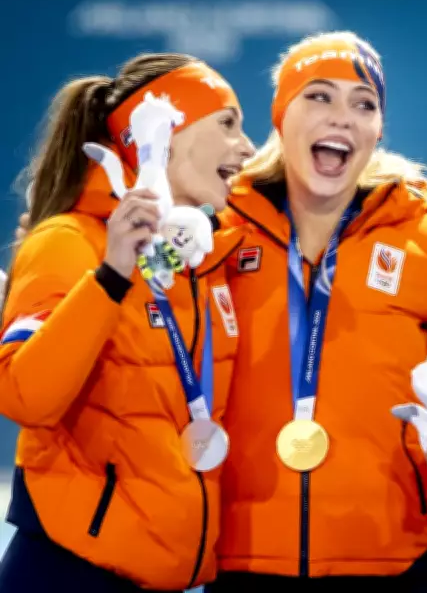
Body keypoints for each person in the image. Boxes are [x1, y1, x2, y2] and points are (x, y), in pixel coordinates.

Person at [206, 31, 427, 592]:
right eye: (319, 96)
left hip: (394, 557)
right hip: (244, 553)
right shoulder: (215, 235)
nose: (343, 117)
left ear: (378, 131)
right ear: (281, 115)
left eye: (364, 105)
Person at [0, 53, 255, 592]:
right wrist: (112, 276)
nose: (248, 147)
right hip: (68, 571)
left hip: (165, 574)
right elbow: (25, 396)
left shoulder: (202, 264)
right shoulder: (67, 242)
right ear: (164, 135)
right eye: (227, 123)